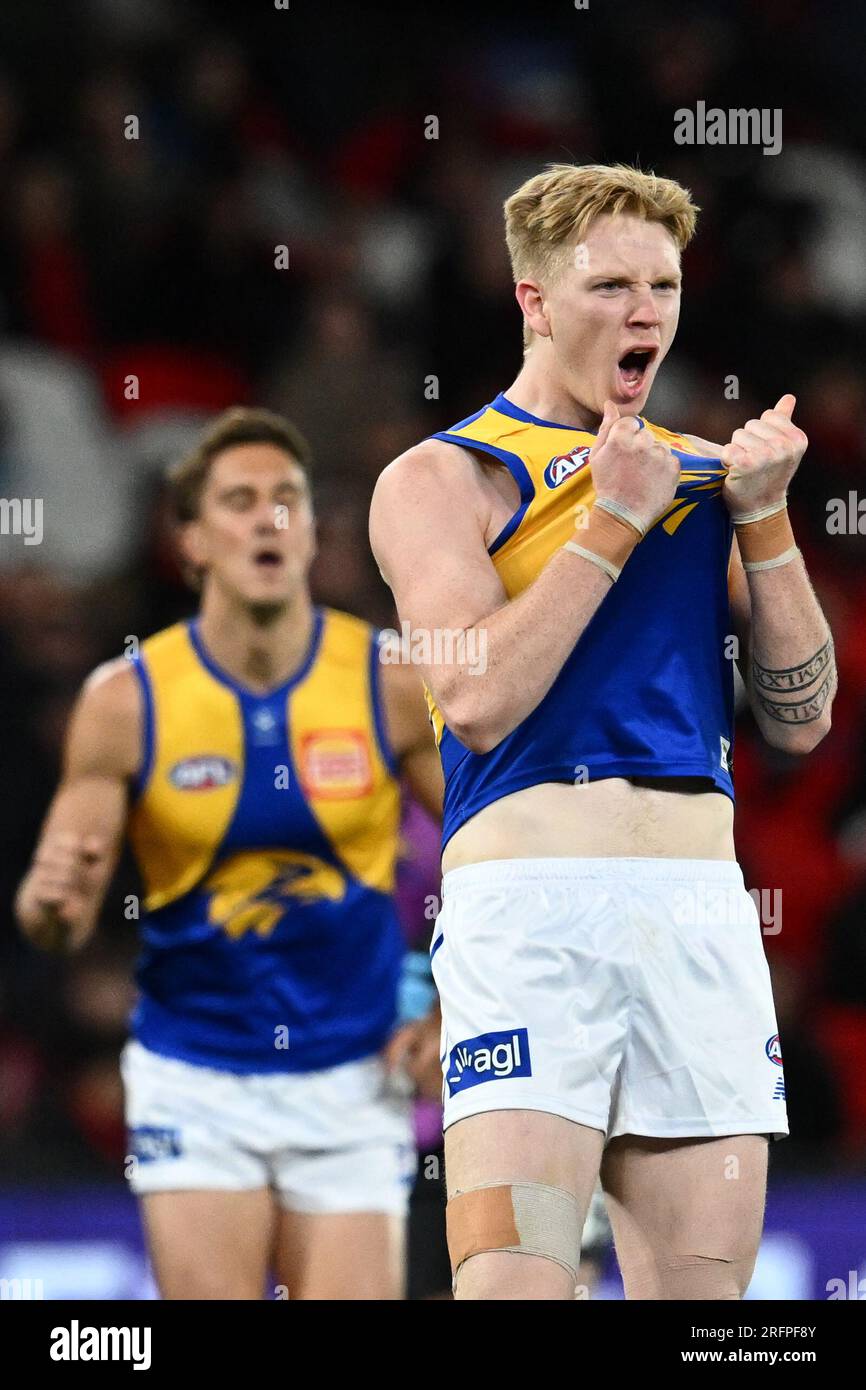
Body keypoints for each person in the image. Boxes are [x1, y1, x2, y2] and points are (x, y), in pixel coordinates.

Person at [369, 163, 837, 1300]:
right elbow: (472, 695)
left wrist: (764, 521)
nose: (644, 313)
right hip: (530, 926)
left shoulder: (699, 478)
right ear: (531, 301)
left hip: (694, 924)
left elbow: (800, 716)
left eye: (663, 286)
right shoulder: (443, 476)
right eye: (610, 286)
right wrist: (610, 522)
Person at [16, 406, 443, 1300]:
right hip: (195, 1076)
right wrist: (52, 906)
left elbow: (496, 861)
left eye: (287, 500)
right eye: (240, 500)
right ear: (192, 542)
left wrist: (450, 1008)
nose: (268, 520)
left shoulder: (389, 681)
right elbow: (55, 916)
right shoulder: (126, 701)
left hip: (353, 1075)